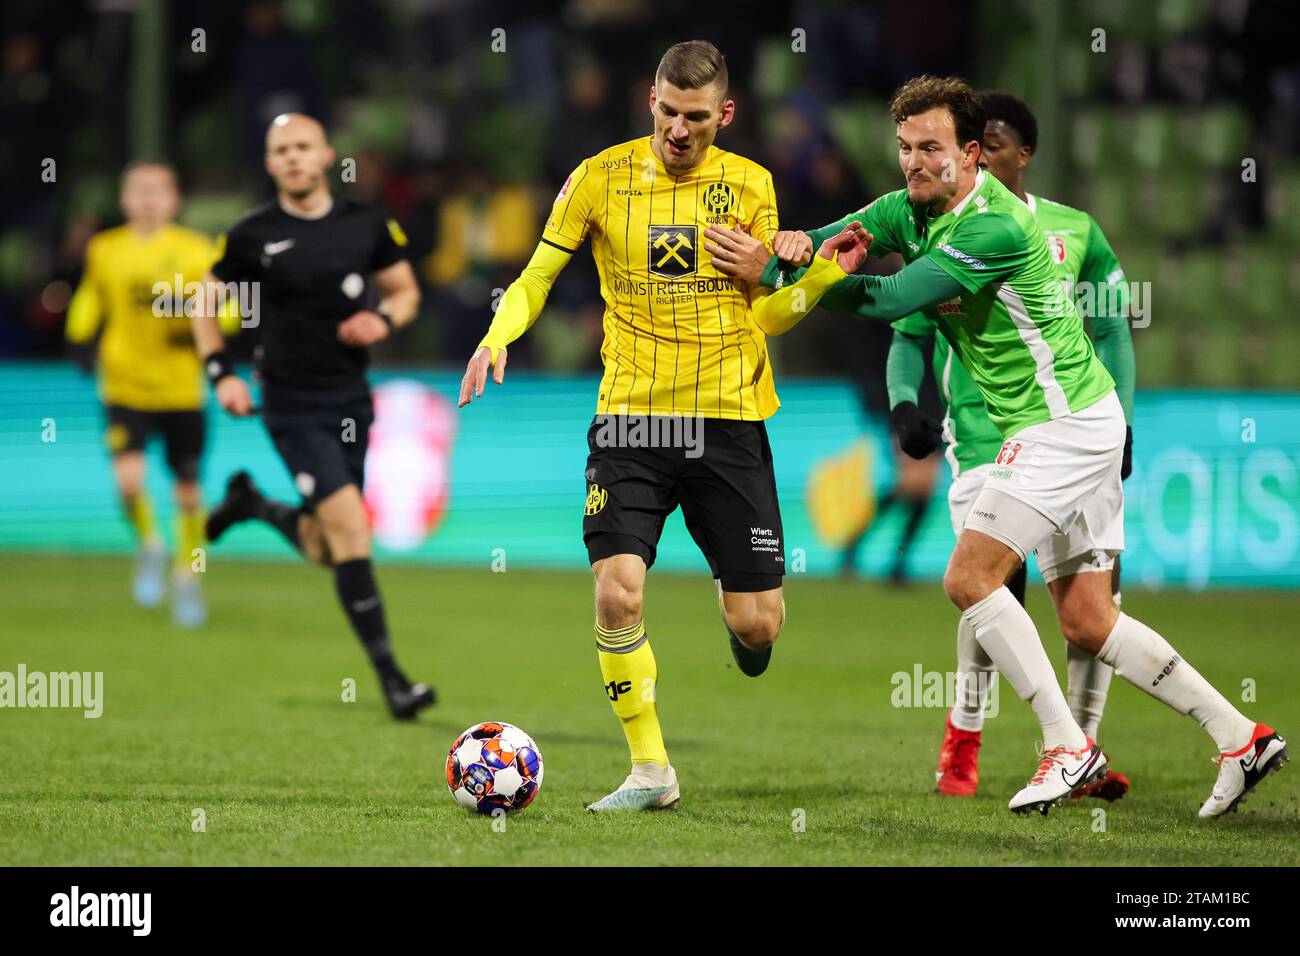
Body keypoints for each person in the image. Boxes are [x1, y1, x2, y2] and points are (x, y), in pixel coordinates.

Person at [707, 75, 1286, 817]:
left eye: (932, 150)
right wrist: (788, 248)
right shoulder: (905, 209)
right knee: (1087, 620)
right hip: (1065, 426)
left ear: (972, 155)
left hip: (1064, 426)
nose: (914, 163)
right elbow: (827, 241)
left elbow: (887, 299)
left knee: (969, 577)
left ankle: (1066, 746)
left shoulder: (995, 227)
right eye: (905, 148)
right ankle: (1240, 737)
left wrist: (800, 277)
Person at [459, 41, 862, 812]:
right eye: (669, 113)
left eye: (697, 118)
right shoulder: (598, 178)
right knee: (618, 595)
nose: (680, 130)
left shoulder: (750, 185)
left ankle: (741, 624)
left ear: (726, 115)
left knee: (758, 623)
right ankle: (651, 771)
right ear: (651, 99)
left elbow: (772, 315)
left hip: (728, 420)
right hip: (630, 421)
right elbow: (537, 275)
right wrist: (497, 334)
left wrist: (803, 273)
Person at [884, 91, 1137, 800]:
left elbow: (1113, 328)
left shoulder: (1072, 230)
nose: (978, 156)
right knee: (986, 588)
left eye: (992, 144)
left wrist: (1127, 420)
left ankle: (1080, 746)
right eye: (973, 143)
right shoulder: (933, 222)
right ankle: (963, 747)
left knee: (1085, 605)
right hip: (979, 436)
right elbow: (907, 335)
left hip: (1069, 430)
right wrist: (907, 405)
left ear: (1020, 153)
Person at [194, 113, 435, 720]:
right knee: (353, 531)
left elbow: (405, 292)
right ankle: (394, 683)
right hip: (289, 402)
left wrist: (383, 319)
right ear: (270, 163)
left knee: (328, 548)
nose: (294, 157)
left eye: (303, 146)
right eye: (281, 150)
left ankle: (251, 505)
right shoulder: (253, 234)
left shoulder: (366, 223)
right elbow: (203, 299)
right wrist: (220, 372)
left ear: (327, 155)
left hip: (351, 401)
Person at [66, 161, 231, 627]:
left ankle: (187, 577)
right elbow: (91, 296)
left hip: (181, 390)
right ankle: (151, 547)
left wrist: (205, 327)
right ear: (124, 200)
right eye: (138, 190)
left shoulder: (198, 250)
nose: (147, 199)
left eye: (157, 191)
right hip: (125, 384)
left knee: (187, 492)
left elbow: (231, 306)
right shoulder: (105, 249)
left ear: (175, 199)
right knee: (129, 482)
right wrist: (80, 336)